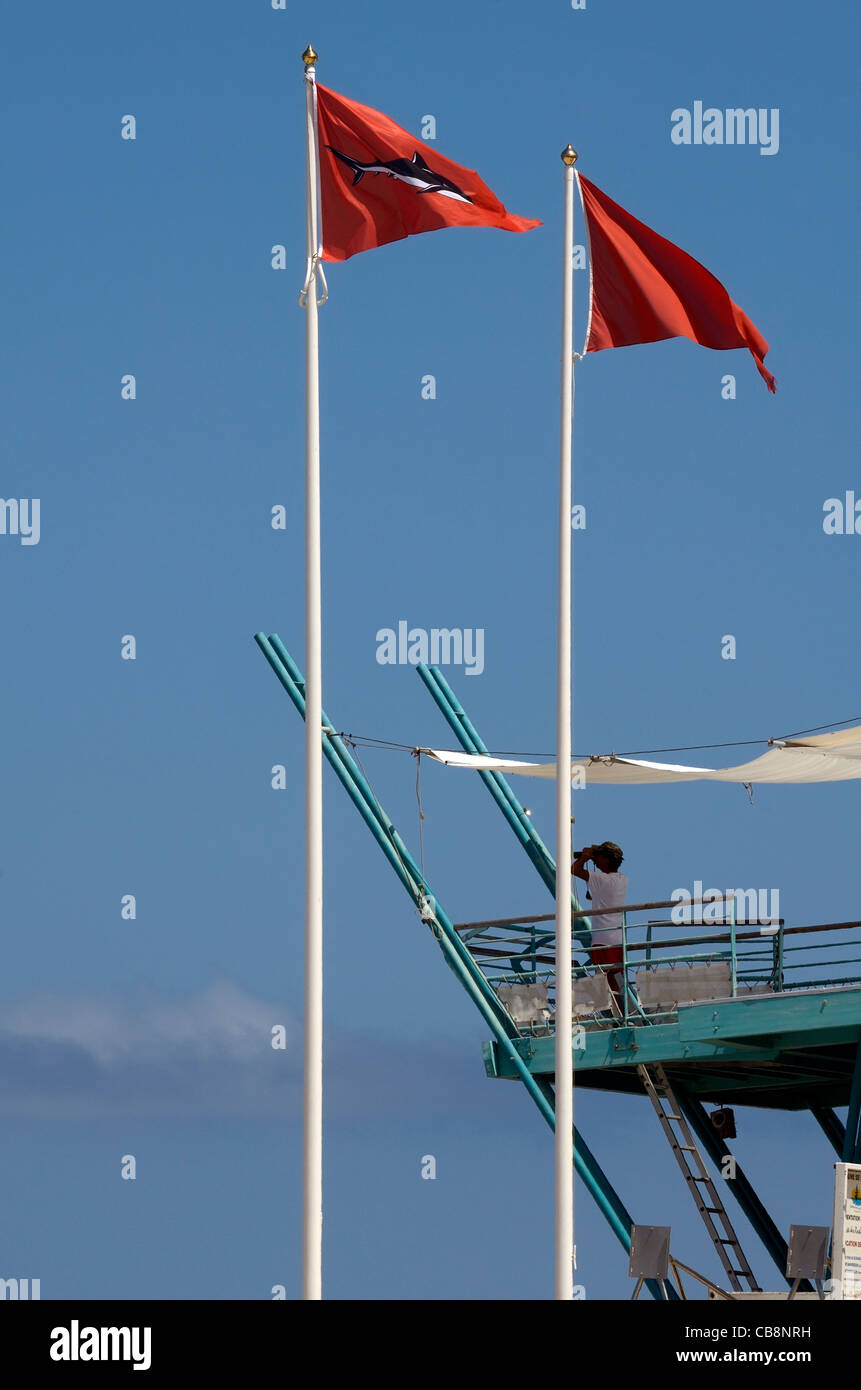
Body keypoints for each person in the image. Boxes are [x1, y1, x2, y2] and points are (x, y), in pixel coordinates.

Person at [571, 841, 628, 1009]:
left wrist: (586, 857)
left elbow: (574, 870)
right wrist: (596, 852)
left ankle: (611, 1009)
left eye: (599, 859)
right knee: (614, 977)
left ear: (605, 859)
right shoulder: (622, 879)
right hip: (617, 937)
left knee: (604, 977)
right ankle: (619, 1009)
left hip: (601, 938)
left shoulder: (600, 879)